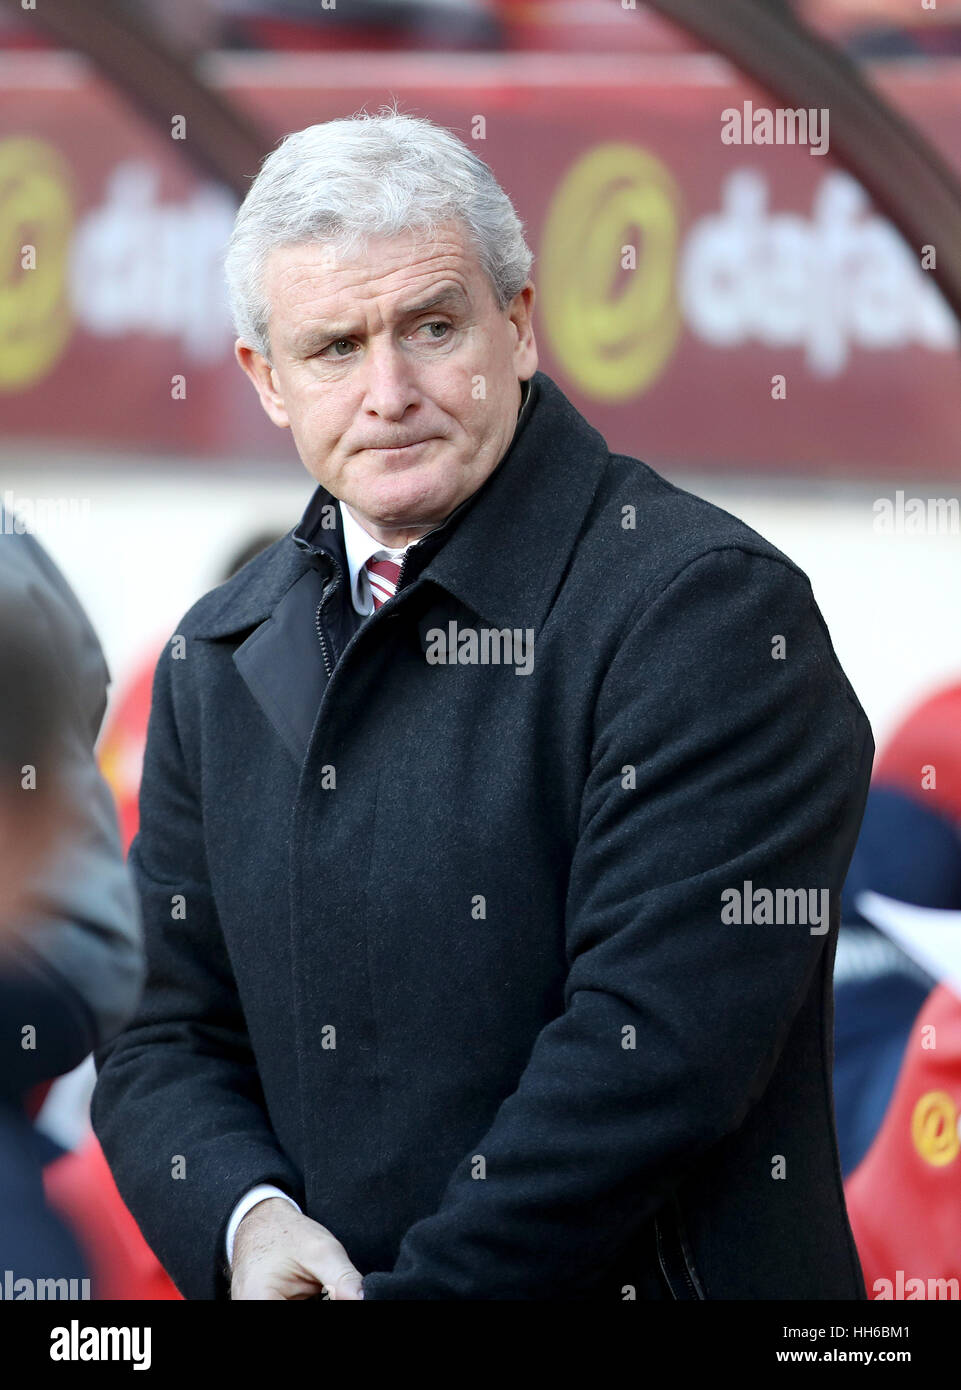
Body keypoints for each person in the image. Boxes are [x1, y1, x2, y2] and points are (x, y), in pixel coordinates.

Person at [92, 107, 874, 1301]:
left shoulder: (706, 614)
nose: (389, 389)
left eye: (432, 325)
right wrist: (245, 1225)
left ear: (518, 324)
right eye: (334, 348)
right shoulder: (220, 650)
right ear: (266, 380)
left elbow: (652, 1059)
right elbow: (159, 1032)